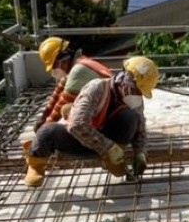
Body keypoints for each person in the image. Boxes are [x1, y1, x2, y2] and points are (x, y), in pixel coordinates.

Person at [22, 55, 160, 187]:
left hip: (106, 142)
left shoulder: (134, 100)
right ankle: (35, 166)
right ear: (126, 80)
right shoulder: (97, 88)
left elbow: (140, 128)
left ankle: (114, 161)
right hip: (80, 140)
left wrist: (140, 153)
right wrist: (108, 148)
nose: (137, 96)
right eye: (136, 91)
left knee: (131, 118)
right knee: (47, 131)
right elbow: (77, 125)